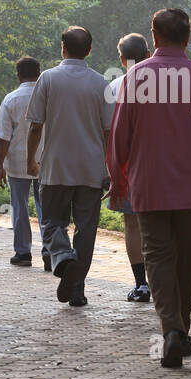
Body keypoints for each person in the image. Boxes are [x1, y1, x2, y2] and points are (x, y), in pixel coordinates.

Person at [108, 8, 191, 369]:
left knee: (158, 256)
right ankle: (181, 329)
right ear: (187, 38)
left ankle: (171, 331)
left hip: (148, 184)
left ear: (154, 35)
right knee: (186, 256)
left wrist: (117, 177)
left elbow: (120, 134)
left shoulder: (137, 76)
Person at [26, 26, 112, 307]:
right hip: (91, 168)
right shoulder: (101, 83)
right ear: (89, 50)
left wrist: (30, 158)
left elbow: (36, 125)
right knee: (86, 230)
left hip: (55, 167)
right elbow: (109, 132)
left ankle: (63, 257)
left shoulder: (48, 79)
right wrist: (110, 168)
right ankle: (77, 288)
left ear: (62, 47)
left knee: (52, 222)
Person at [107, 32, 152, 302]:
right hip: (160, 165)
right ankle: (164, 283)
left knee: (132, 224)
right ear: (148, 54)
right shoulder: (169, 85)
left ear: (121, 58)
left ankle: (141, 284)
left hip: (127, 167)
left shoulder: (114, 88)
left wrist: (112, 172)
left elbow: (110, 134)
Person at [0, 57, 45, 267]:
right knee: (46, 207)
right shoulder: (47, 97)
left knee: (20, 206)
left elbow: (4, 137)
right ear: (39, 73)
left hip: (17, 161)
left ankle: (23, 252)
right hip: (45, 160)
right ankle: (50, 248)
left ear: (19, 75)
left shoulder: (11, 99)